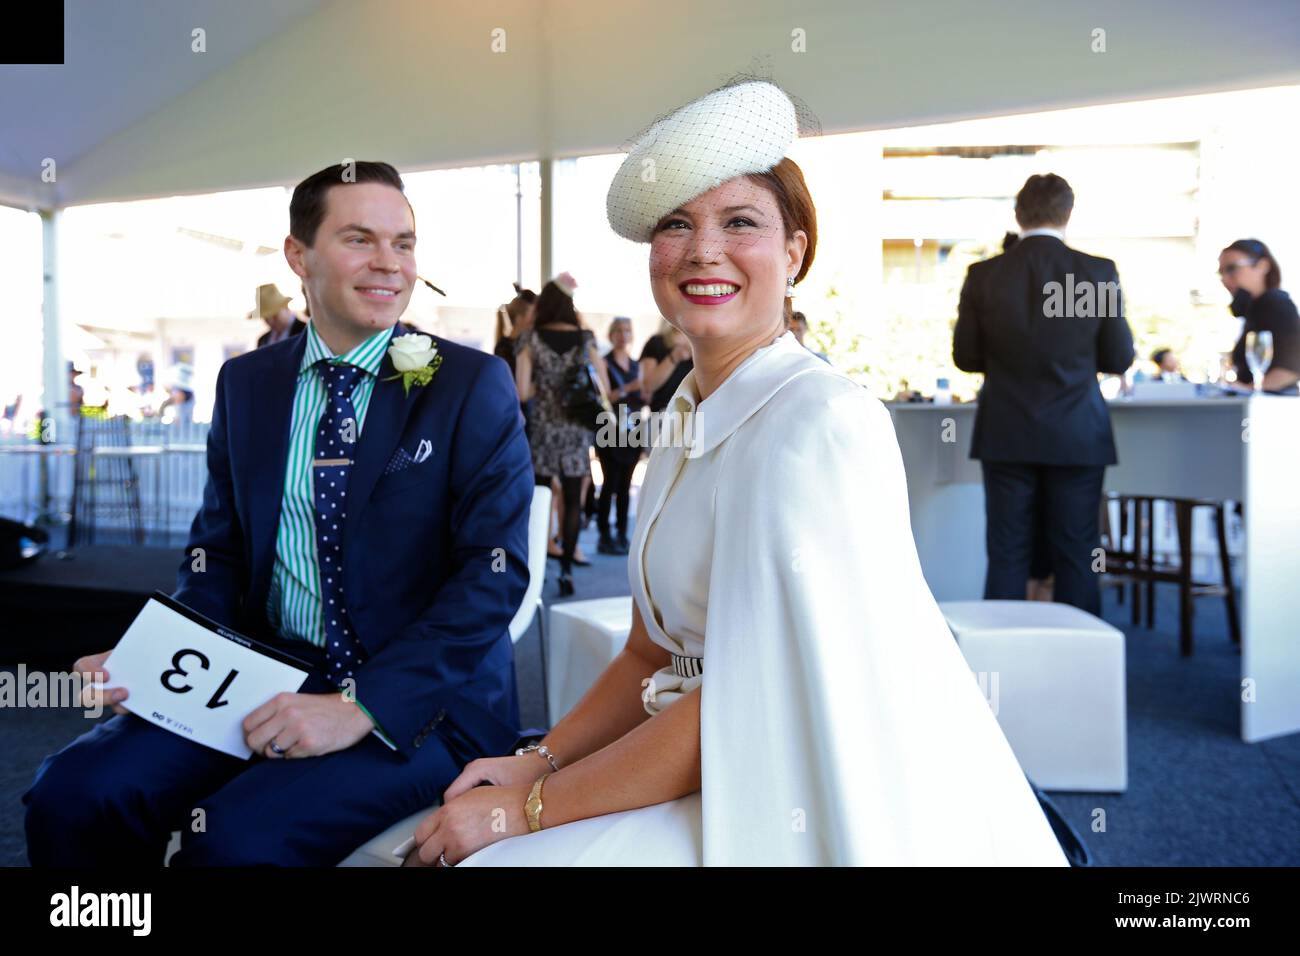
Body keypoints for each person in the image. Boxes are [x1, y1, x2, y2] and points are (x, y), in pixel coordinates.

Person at [404, 80, 1067, 867]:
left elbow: (756, 700)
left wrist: (529, 811)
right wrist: (538, 760)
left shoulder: (819, 423)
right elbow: (652, 656)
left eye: (740, 222)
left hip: (794, 782)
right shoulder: (684, 416)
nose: (702, 249)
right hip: (700, 750)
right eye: (676, 223)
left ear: (795, 251)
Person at [22, 161, 534, 866]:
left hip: (427, 704)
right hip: (269, 675)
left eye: (405, 243)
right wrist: (161, 657)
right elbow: (218, 557)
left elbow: (492, 577)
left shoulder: (468, 384)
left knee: (233, 840)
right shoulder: (248, 384)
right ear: (300, 256)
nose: (390, 264)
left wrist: (361, 705)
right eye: (360, 239)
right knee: (74, 795)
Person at [953, 173, 1135, 616]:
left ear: (1018, 215)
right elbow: (1117, 356)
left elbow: (966, 357)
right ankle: (1082, 670)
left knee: (1007, 554)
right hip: (1076, 434)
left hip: (1006, 432)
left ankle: (999, 669)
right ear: (1068, 214)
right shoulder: (1095, 273)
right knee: (1078, 556)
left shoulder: (984, 275)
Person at [513, 272, 609, 596]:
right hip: (576, 430)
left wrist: (547, 387)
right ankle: (566, 571)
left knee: (539, 501)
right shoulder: (585, 339)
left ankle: (533, 571)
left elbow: (521, 391)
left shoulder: (530, 339)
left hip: (542, 429)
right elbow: (604, 388)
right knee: (571, 501)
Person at [1219, 238, 1300, 395]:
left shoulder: (1277, 304)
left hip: (1271, 407)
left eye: (1231, 269)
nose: (1224, 278)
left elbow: (1293, 365)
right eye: (1221, 272)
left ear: (1263, 266)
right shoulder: (1255, 310)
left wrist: (1249, 390)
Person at [595, 316, 644, 556]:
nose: (623, 335)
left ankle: (622, 533)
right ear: (611, 334)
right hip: (609, 427)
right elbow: (605, 398)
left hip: (633, 428)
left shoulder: (636, 365)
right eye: (619, 331)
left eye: (627, 330)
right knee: (609, 483)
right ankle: (604, 534)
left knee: (625, 485)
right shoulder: (604, 363)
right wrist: (628, 388)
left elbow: (644, 397)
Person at [638, 318, 693, 413]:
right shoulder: (657, 342)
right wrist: (674, 357)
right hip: (661, 414)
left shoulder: (700, 348)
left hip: (691, 414)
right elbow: (648, 386)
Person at [251, 282, 306, 347]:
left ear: (286, 307)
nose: (270, 321)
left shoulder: (305, 331)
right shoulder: (262, 340)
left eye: (274, 315)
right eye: (265, 318)